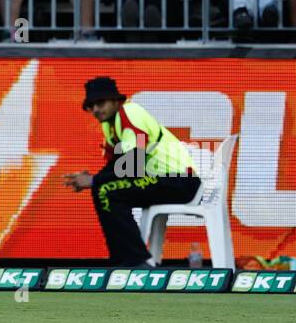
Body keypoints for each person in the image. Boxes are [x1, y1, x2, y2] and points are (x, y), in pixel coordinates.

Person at [64, 76, 199, 268]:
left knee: (106, 190)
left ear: (116, 101)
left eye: (100, 103)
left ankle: (136, 262)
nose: (95, 110)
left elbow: (133, 164)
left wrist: (94, 180)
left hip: (180, 182)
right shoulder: (110, 124)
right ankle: (122, 260)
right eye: (90, 106)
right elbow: (116, 165)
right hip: (162, 181)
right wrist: (93, 180)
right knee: (103, 189)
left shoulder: (129, 113)